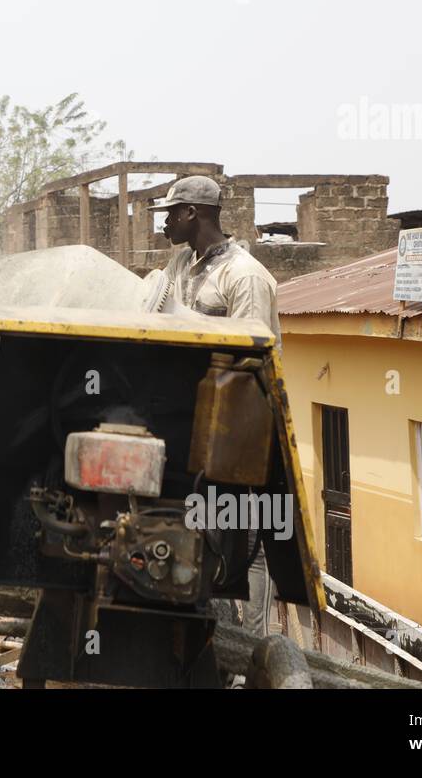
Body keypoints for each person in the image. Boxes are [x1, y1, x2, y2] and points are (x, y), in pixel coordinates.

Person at [143, 174, 280, 638]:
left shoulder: (244, 276)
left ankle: (253, 649)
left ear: (192, 214)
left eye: (169, 215)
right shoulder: (182, 263)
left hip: (236, 429)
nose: (164, 224)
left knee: (244, 541)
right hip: (186, 421)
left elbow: (252, 358)